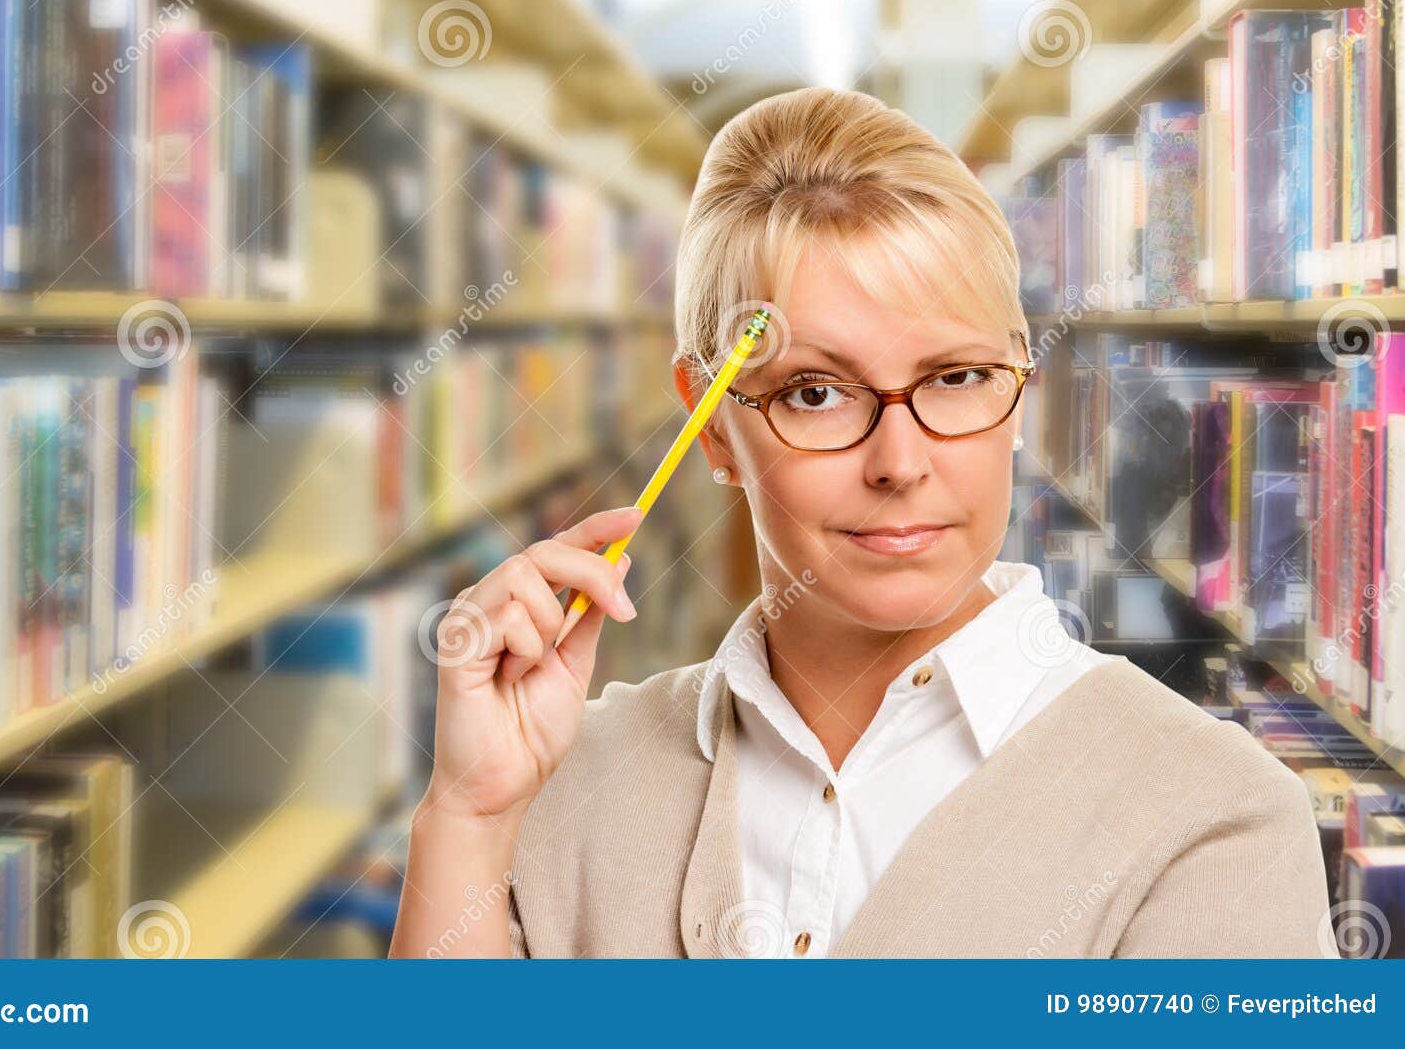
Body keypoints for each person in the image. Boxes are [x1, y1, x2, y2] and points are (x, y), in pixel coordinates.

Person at [388, 86, 1337, 959]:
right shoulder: (561, 784)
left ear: (1022, 393)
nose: (899, 462)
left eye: (957, 377)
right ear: (712, 424)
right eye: (815, 392)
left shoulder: (1217, 820)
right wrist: (470, 817)